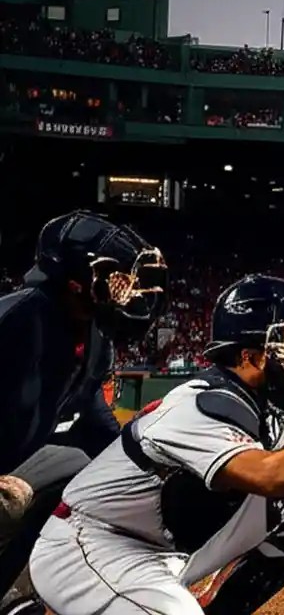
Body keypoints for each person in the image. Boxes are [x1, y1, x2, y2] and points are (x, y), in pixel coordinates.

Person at [22, 275, 284, 615]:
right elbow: (269, 475)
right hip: (91, 546)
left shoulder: (256, 405)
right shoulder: (199, 406)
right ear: (251, 356)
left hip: (159, 551)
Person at [0, 211, 168, 607]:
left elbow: (96, 427)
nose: (130, 293)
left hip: (11, 465)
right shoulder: (16, 321)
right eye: (117, 280)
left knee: (81, 473)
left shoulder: (92, 338)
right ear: (75, 283)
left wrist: (150, 463)